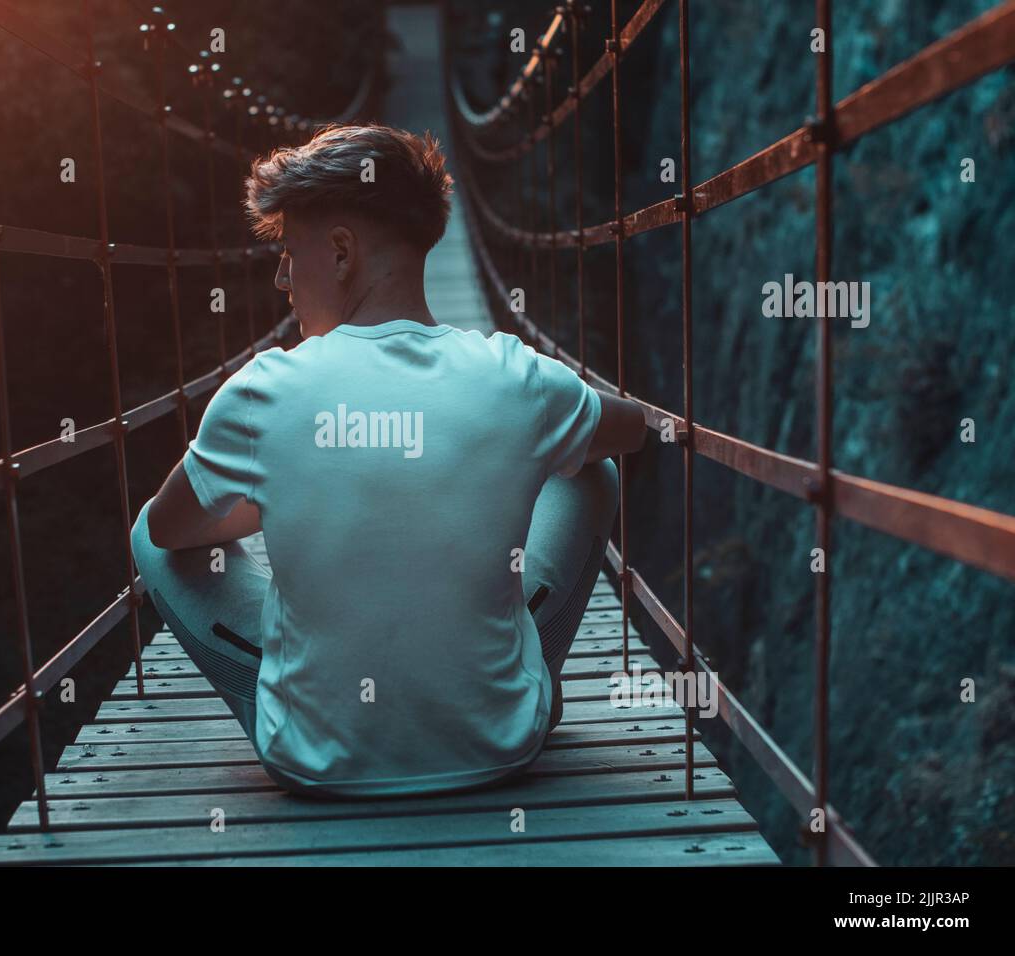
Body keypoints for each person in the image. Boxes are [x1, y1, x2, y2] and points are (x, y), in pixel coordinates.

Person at [130, 123, 646, 799]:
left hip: (312, 766)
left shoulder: (262, 392)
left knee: (146, 531)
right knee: (587, 467)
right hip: (501, 746)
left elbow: (170, 531)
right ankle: (517, 684)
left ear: (342, 252)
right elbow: (632, 430)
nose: (283, 278)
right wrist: (504, 457)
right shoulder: (513, 375)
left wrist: (279, 499)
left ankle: (298, 700)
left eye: (290, 253)